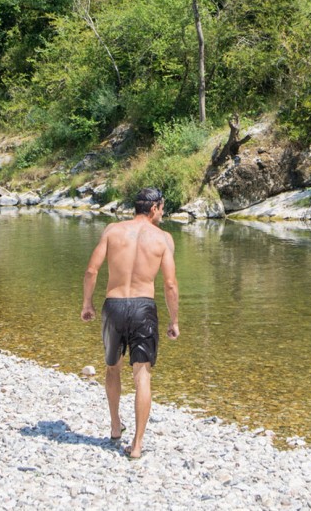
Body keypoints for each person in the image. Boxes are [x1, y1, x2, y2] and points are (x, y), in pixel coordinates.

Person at [81, 186, 180, 459]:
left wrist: (87, 304)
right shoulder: (163, 239)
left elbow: (91, 270)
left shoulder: (112, 230)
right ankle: (136, 445)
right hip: (143, 308)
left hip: (113, 306)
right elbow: (170, 285)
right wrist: (174, 321)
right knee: (142, 375)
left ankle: (115, 427)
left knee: (112, 368)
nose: (163, 213)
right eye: (162, 208)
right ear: (153, 209)